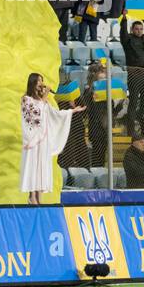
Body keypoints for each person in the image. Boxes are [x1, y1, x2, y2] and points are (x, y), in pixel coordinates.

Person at [21, 73, 84, 204]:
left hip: (43, 139)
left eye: (42, 80)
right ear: (32, 82)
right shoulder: (26, 99)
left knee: (41, 167)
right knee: (33, 166)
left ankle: (39, 195)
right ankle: (31, 196)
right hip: (33, 140)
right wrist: (46, 95)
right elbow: (35, 113)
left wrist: (73, 111)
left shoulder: (44, 101)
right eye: (38, 81)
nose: (41, 83)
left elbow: (55, 114)